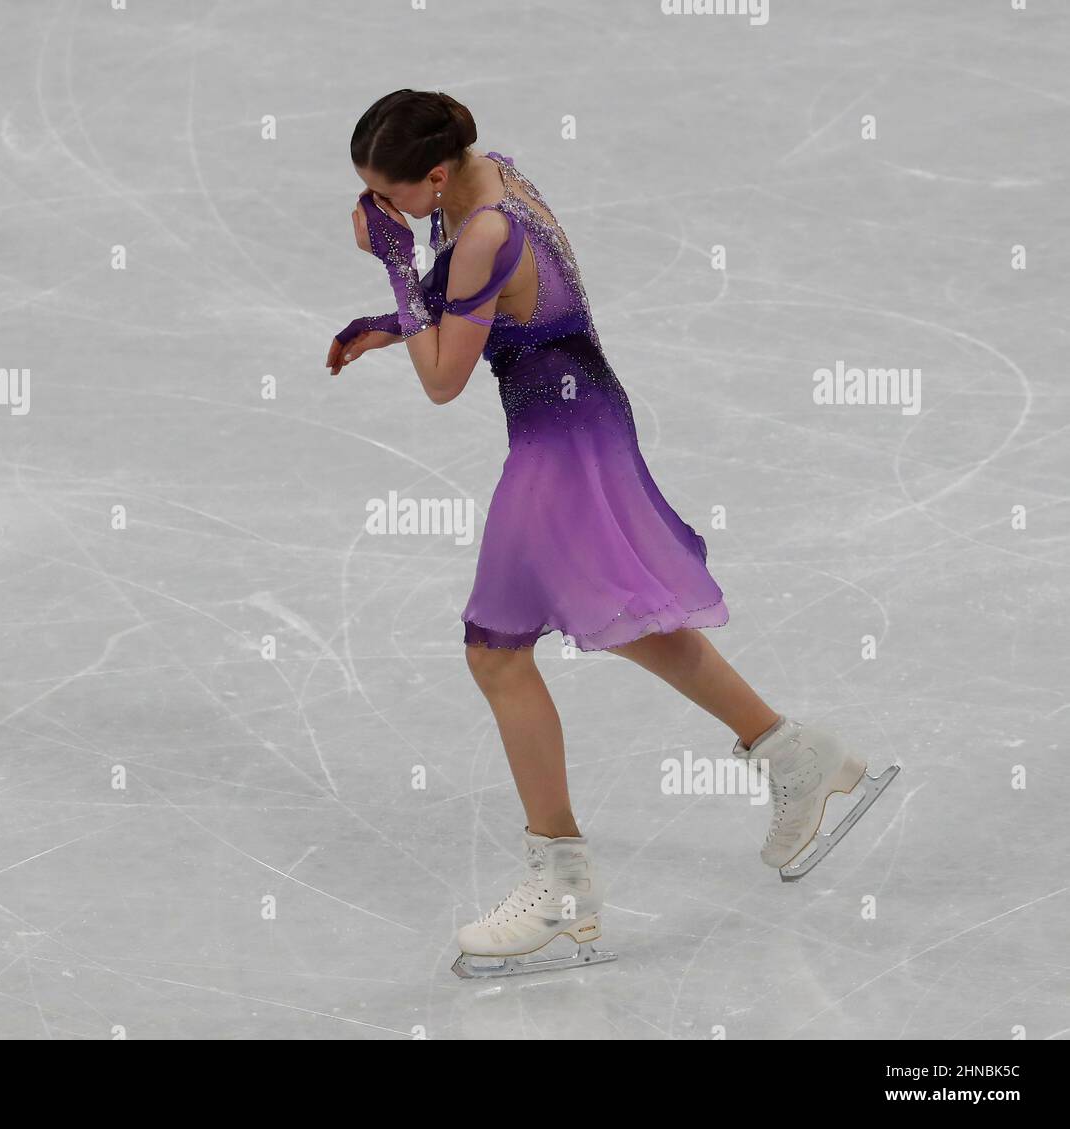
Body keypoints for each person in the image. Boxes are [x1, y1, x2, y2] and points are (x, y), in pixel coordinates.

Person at [328, 89, 898, 979]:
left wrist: (396, 272)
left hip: (559, 446)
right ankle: (798, 753)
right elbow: (486, 307)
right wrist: (391, 321)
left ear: (435, 176)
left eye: (390, 196)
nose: (381, 212)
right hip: (585, 418)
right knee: (624, 617)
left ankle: (562, 892)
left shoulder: (476, 229)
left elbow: (444, 380)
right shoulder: (493, 175)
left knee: (497, 653)